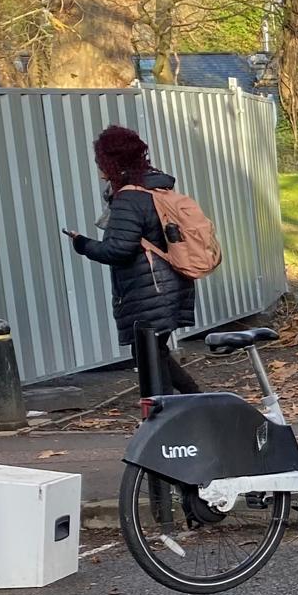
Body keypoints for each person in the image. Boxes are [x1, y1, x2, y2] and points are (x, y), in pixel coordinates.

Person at [66, 125, 200, 394]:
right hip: (170, 284)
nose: (98, 168)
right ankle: (198, 404)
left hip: (149, 289)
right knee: (153, 353)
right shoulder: (156, 188)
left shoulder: (129, 198)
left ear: (111, 161)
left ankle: (166, 418)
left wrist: (81, 243)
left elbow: (118, 249)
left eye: (99, 161)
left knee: (149, 357)